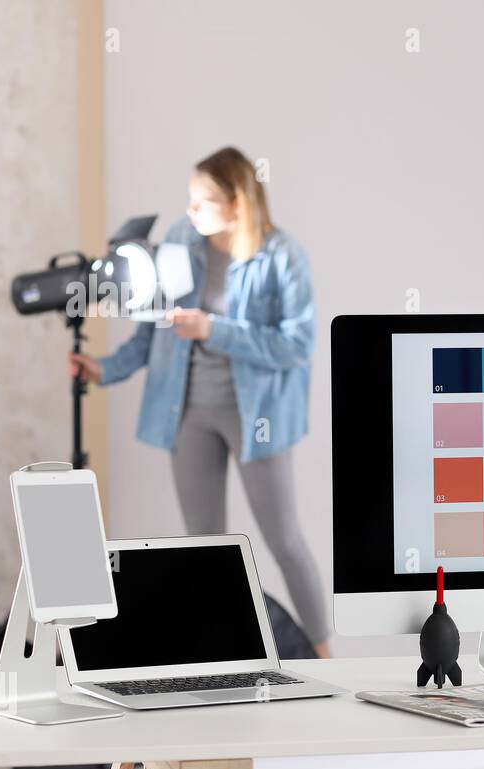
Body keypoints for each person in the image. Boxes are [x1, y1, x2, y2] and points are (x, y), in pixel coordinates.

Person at [69, 146, 331, 657]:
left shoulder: (283, 258)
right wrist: (106, 369)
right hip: (186, 411)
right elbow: (152, 328)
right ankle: (220, 654)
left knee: (284, 540)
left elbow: (296, 345)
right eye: (189, 200)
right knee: (204, 547)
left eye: (203, 201)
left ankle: (324, 654)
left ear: (238, 203)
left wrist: (214, 329)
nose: (190, 211)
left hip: (256, 418)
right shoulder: (178, 241)